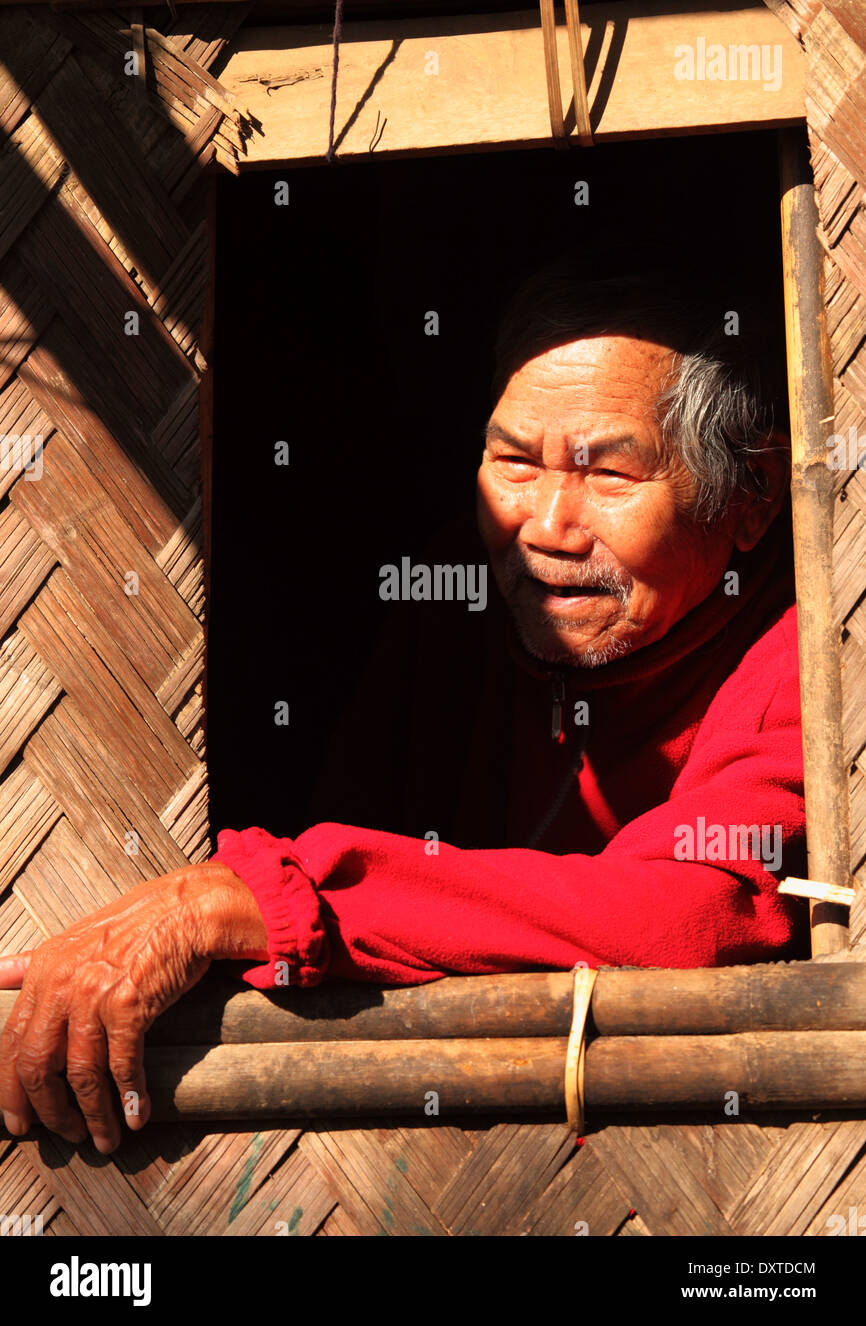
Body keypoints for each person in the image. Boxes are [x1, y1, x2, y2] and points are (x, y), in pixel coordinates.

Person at [0, 260, 807, 1155]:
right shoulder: (463, 598)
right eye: (512, 463)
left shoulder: (802, 657)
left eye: (610, 476)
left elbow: (687, 910)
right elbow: (357, 804)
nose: (546, 526)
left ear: (753, 495)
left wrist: (252, 904)